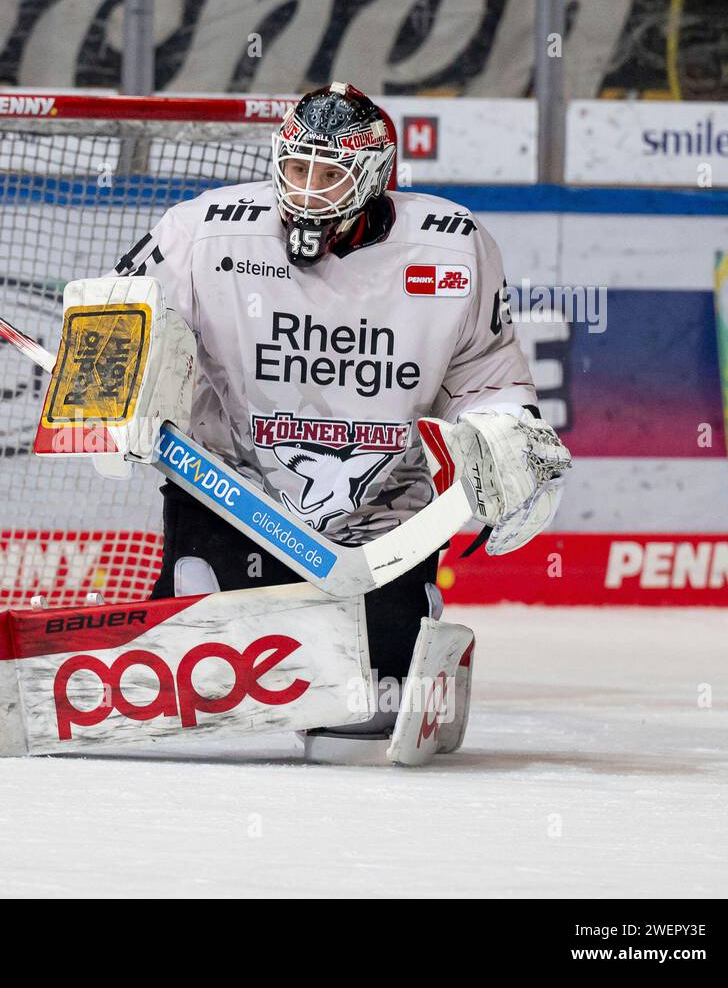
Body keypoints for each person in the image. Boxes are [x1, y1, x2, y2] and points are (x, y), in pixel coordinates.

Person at [113, 82, 570, 744]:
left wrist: (508, 436)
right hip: (233, 497)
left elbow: (486, 376)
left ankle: (400, 626)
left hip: (382, 523)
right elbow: (122, 314)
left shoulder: (453, 248)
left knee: (368, 707)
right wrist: (115, 385)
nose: (306, 189)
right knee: (201, 676)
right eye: (296, 168)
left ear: (375, 176)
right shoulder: (204, 232)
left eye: (329, 174)